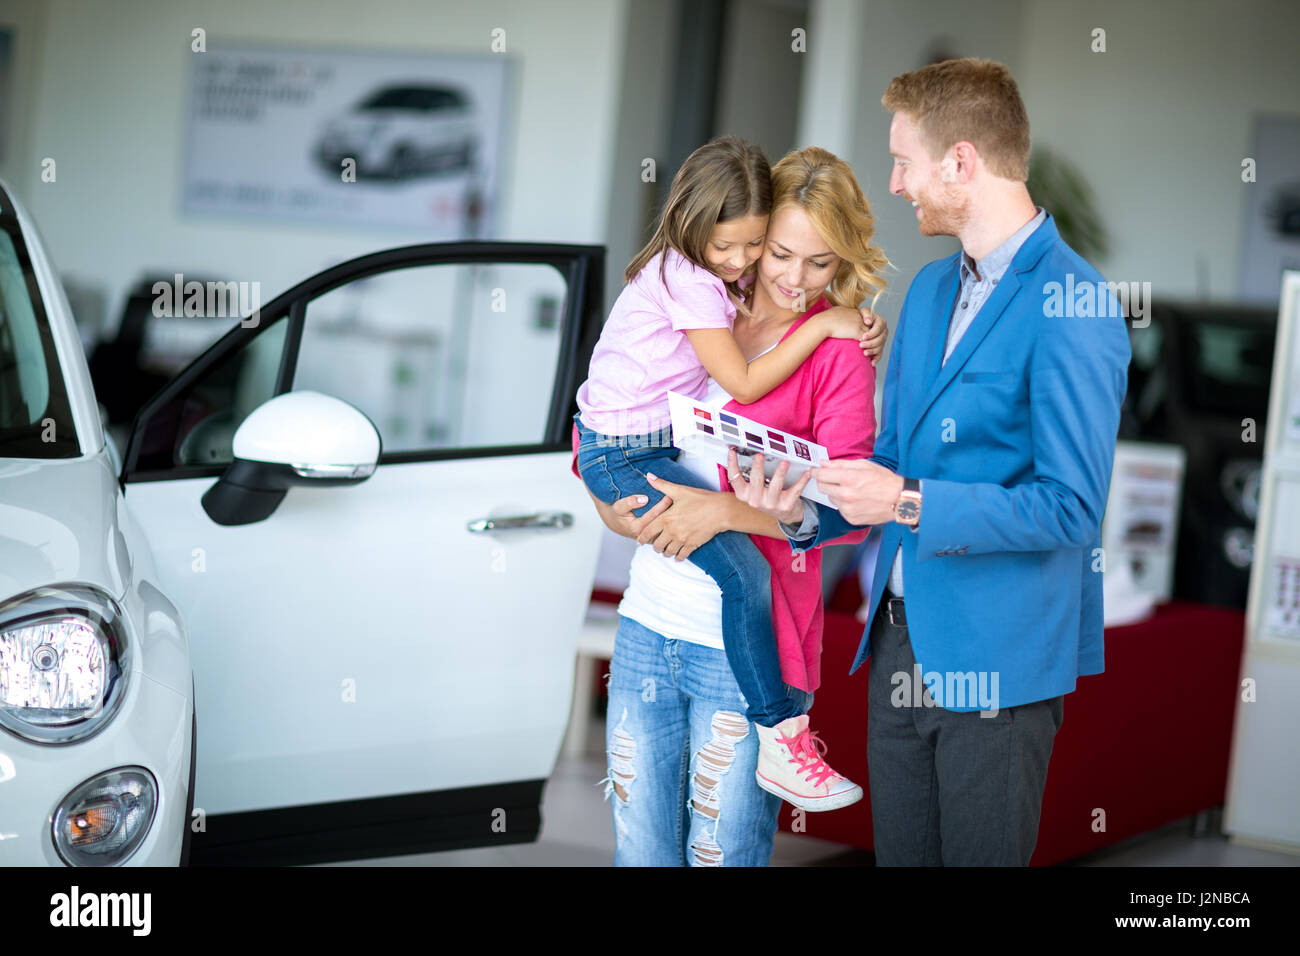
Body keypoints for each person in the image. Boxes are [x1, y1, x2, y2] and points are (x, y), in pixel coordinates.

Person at [742, 58, 1131, 865]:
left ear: (960, 161)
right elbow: (885, 464)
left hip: (1000, 664)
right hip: (895, 646)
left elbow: (1069, 507)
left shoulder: (1076, 300)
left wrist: (908, 500)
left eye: (904, 162)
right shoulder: (923, 293)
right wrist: (803, 510)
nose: (894, 183)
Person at [578, 145, 889, 865]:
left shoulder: (840, 352)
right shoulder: (704, 297)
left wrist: (730, 514)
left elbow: (853, 509)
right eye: (778, 252)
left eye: (821, 262)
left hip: (749, 649)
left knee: (720, 858)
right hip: (649, 623)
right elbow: (610, 408)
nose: (792, 278)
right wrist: (604, 507)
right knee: (642, 857)